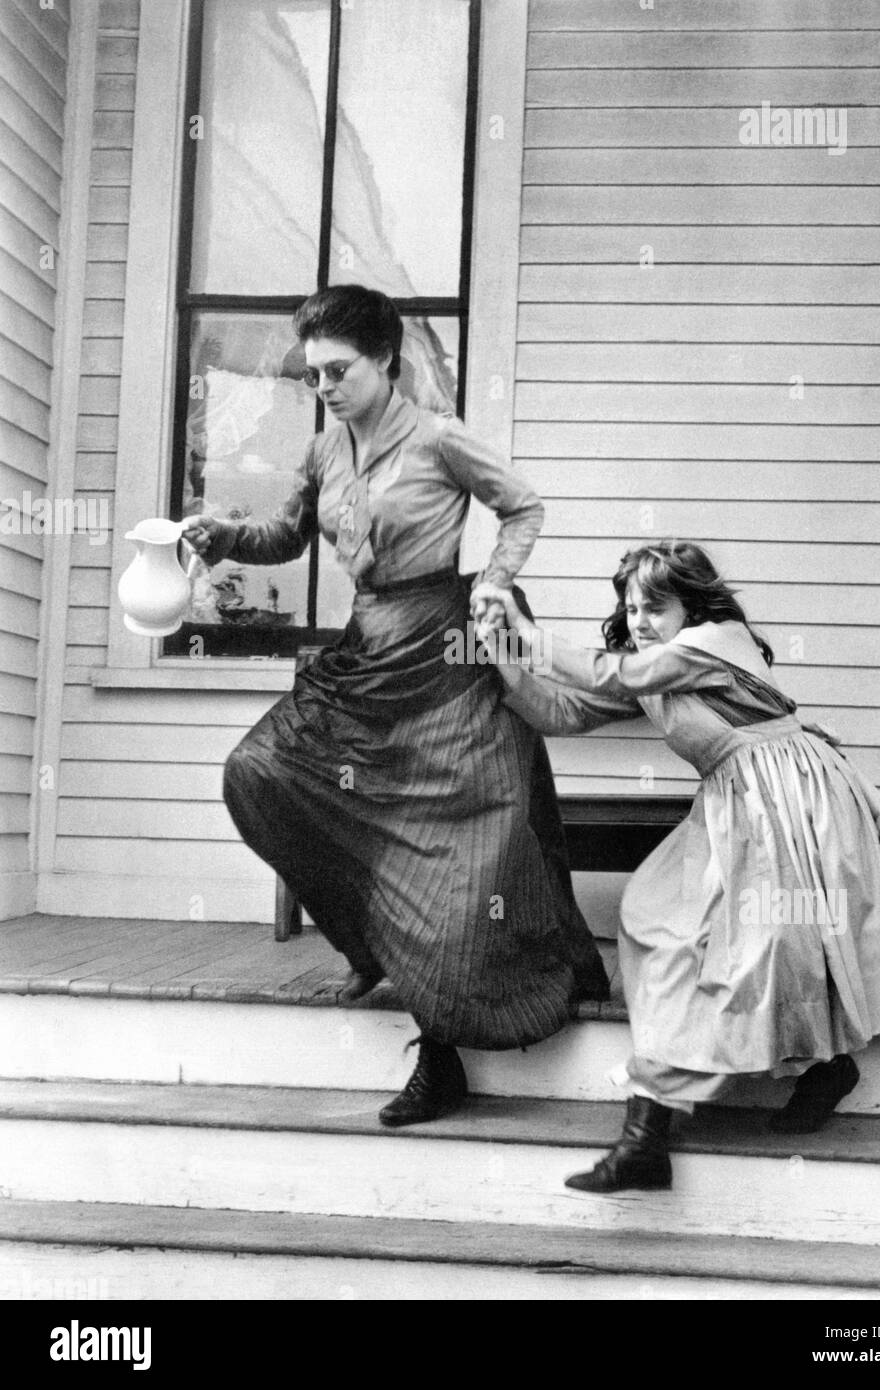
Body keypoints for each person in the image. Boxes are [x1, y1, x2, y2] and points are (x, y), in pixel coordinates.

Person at [182, 284, 608, 1127]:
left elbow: (523, 506)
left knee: (454, 853)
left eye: (338, 370)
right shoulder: (322, 451)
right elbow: (289, 538)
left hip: (445, 656)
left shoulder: (440, 439)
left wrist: (493, 582)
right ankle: (368, 944)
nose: (325, 387)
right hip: (367, 654)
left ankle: (439, 1061)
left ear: (384, 360)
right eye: (313, 375)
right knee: (259, 772)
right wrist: (222, 535)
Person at [473, 540, 880, 1193]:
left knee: (771, 943)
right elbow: (561, 710)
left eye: (656, 605)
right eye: (630, 608)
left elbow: (606, 675)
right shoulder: (656, 668)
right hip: (737, 801)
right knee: (665, 920)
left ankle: (791, 1081)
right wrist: (501, 655)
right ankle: (655, 1133)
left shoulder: (714, 641)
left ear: (694, 602)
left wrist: (523, 629)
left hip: (789, 798)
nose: (641, 619)